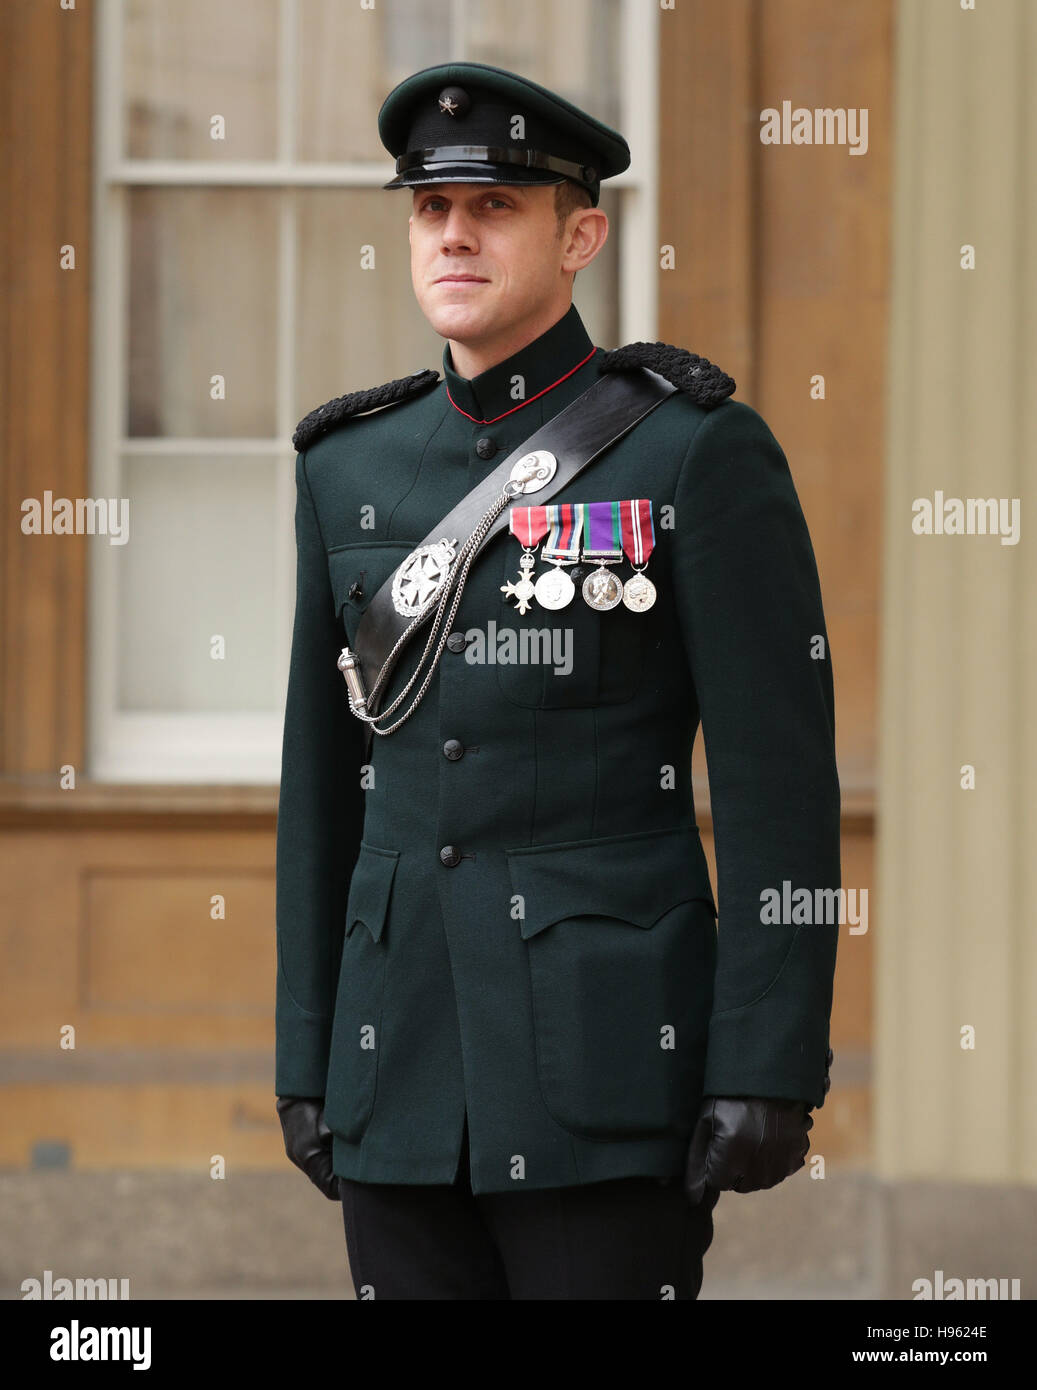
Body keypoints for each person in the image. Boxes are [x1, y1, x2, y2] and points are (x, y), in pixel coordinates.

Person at [274, 61, 840, 1301]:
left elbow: (776, 782)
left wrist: (767, 1060)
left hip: (605, 1064)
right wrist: (308, 1053)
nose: (454, 234)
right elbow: (320, 789)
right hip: (396, 1065)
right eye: (430, 210)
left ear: (580, 232)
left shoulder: (691, 451)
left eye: (495, 206)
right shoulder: (345, 464)